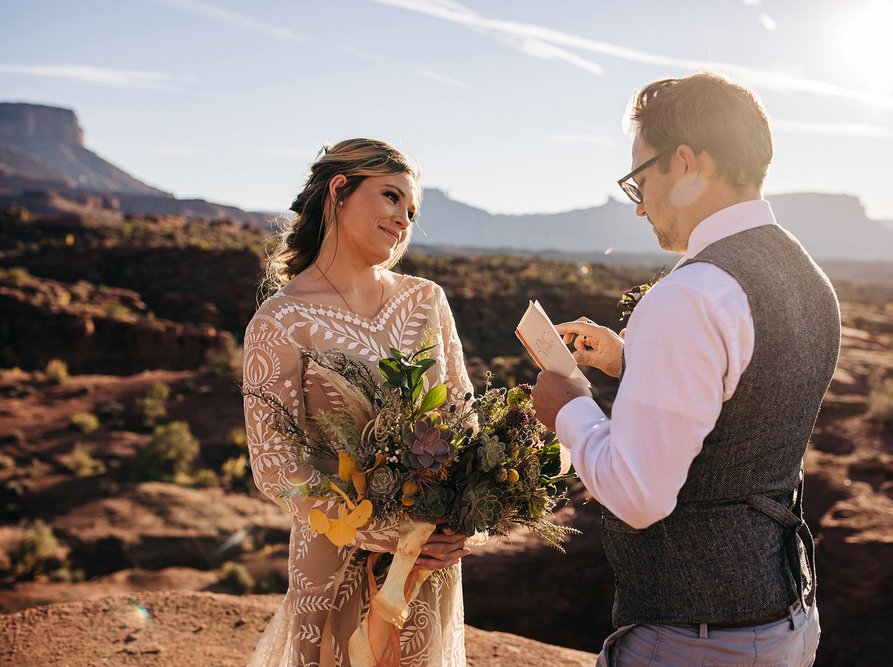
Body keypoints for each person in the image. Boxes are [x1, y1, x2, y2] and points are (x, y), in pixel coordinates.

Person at [532, 72, 841, 666]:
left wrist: (569, 405)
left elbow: (638, 493)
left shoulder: (692, 294)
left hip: (692, 640)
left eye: (639, 180)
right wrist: (633, 361)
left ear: (686, 163)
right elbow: (752, 400)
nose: (640, 205)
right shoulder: (809, 278)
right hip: (784, 620)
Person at [242, 138, 473, 666]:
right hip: (333, 565)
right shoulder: (279, 321)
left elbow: (464, 418)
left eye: (411, 210)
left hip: (426, 566)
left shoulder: (426, 300)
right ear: (339, 191)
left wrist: (462, 520)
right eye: (391, 197)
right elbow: (276, 466)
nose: (402, 218)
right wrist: (382, 530)